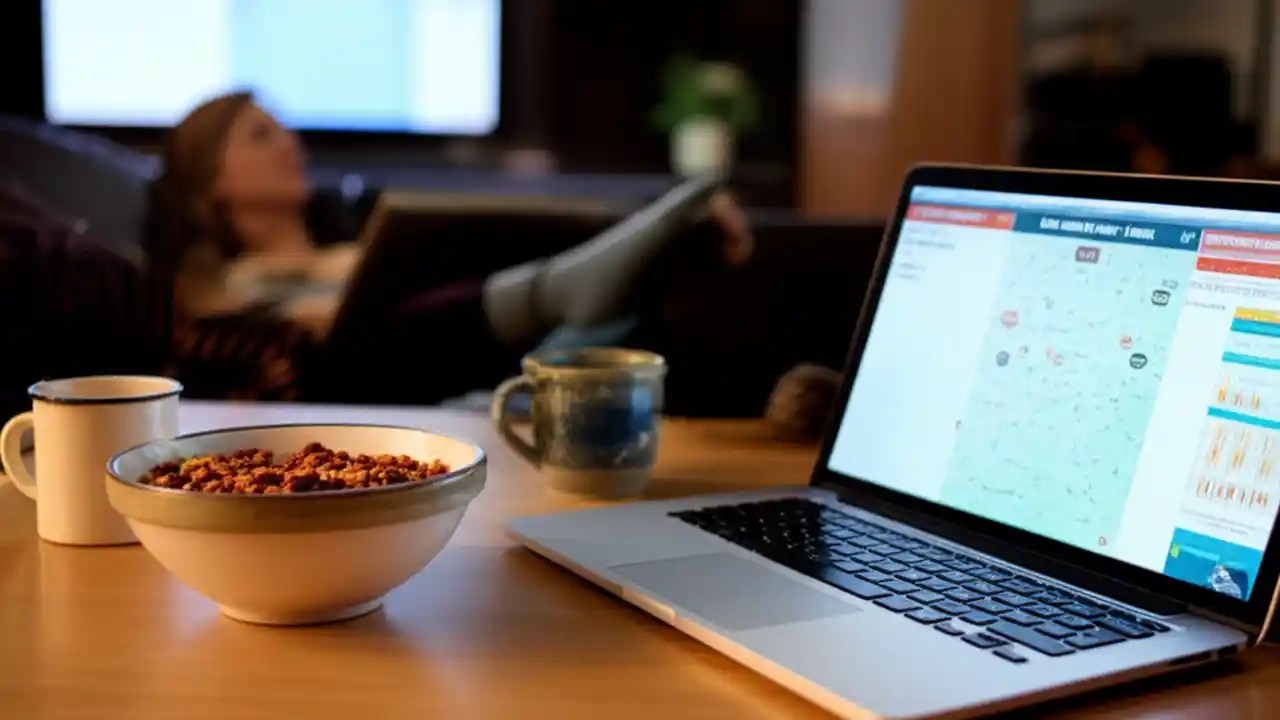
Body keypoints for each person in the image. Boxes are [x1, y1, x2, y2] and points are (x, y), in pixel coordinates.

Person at [148, 91, 752, 401]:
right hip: (392, 384)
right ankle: (578, 291)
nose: (290, 143)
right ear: (213, 180)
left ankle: (602, 286)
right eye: (260, 136)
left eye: (283, 128)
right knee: (400, 320)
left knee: (640, 298)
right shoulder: (224, 293)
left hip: (500, 356)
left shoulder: (372, 239)